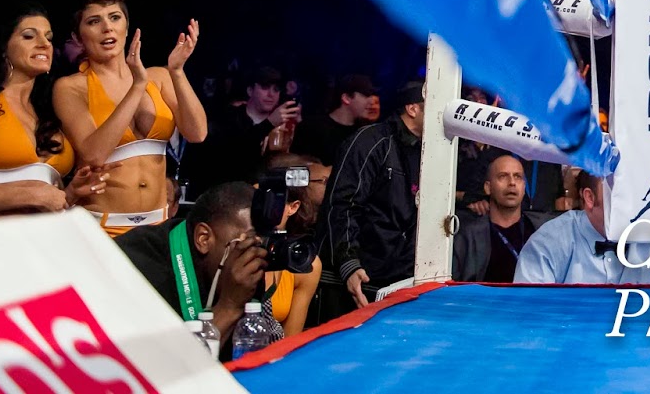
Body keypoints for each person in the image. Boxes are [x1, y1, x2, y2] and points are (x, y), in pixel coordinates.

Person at [54, 0, 207, 236]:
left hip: (158, 226)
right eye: (94, 21)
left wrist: (177, 71)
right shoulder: (70, 88)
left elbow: (197, 133)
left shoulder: (159, 76)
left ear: (126, 26)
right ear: (78, 36)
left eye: (114, 18)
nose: (107, 28)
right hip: (102, 227)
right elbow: (94, 155)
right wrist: (137, 85)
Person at [0, 7, 112, 214]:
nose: (44, 44)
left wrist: (71, 193)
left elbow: (51, 201)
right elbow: (37, 197)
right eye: (29, 36)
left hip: (45, 239)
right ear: (3, 47)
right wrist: (30, 194)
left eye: (49, 38)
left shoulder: (50, 111)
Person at [115, 182, 267, 356]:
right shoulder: (135, 268)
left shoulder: (247, 266)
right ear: (204, 238)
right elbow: (165, 371)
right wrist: (230, 306)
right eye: (250, 239)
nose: (258, 251)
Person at [316, 79, 424, 319]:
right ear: (413, 108)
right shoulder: (372, 141)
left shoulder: (432, 151)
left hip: (403, 281)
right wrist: (349, 263)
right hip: (363, 276)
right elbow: (343, 204)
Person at [514, 170, 650, 285]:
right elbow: (532, 320)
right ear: (589, 198)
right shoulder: (547, 243)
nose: (633, 201)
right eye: (621, 192)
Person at [186, 65, 300, 198]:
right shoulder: (230, 117)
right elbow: (233, 152)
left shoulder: (282, 126)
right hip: (225, 194)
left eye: (276, 89)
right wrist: (268, 124)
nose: (271, 94)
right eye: (264, 87)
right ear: (250, 90)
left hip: (264, 196)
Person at [453, 152, 549, 284]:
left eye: (518, 177)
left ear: (524, 186)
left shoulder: (540, 229)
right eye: (503, 176)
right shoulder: (467, 237)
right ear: (488, 188)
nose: (512, 183)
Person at [254, 152, 323, 337]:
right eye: (261, 195)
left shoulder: (305, 264)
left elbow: (289, 342)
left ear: (293, 207)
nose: (266, 205)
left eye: (277, 199)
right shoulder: (235, 249)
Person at [292, 73, 378, 167]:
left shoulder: (365, 134)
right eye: (366, 95)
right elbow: (295, 168)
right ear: (346, 98)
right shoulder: (310, 128)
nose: (372, 101)